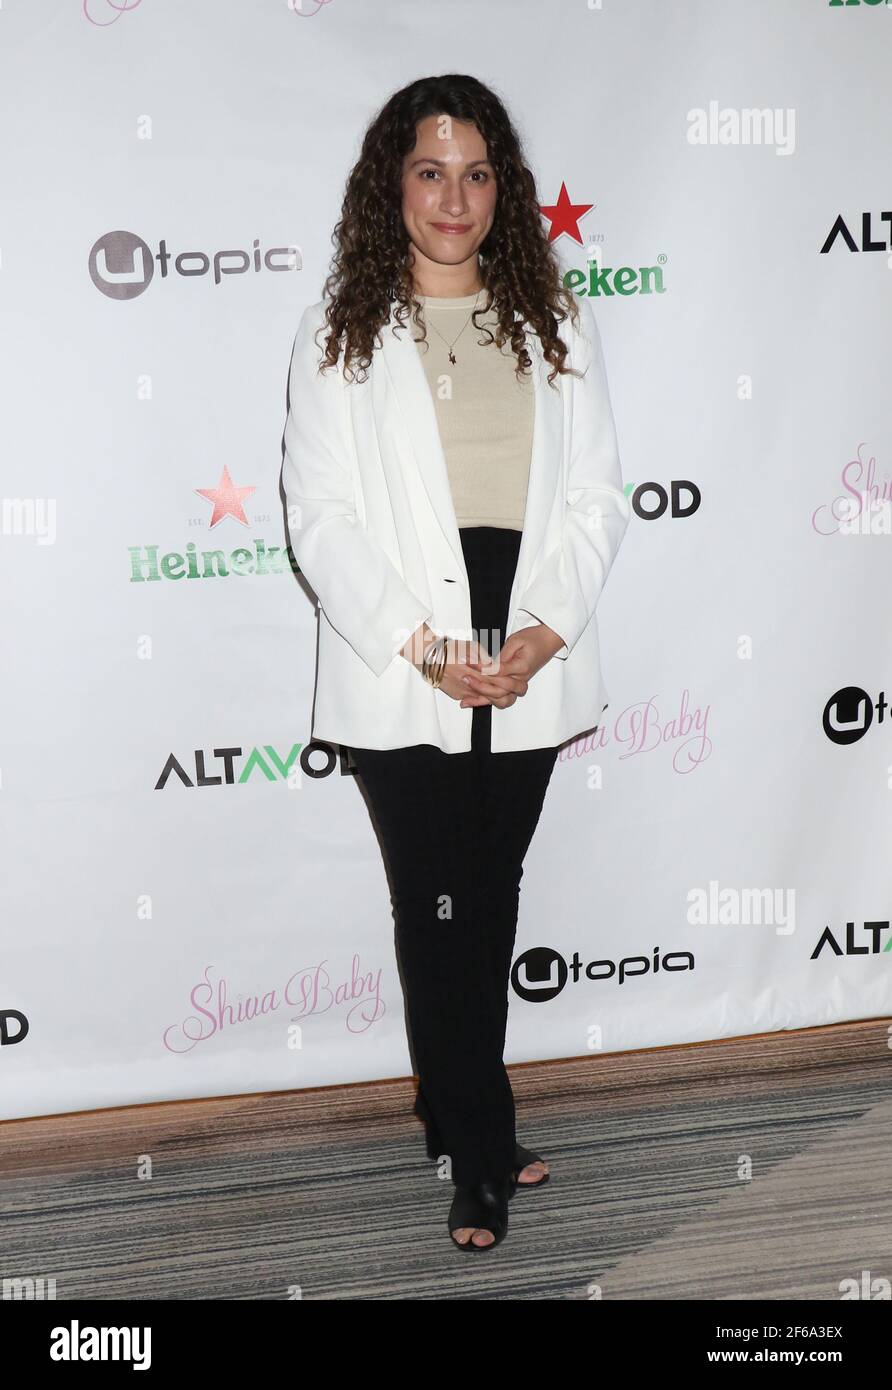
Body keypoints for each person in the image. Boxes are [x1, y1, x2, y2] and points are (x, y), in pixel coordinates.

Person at [282, 73, 631, 1251]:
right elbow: (321, 516)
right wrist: (423, 645)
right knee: (438, 907)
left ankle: (453, 1105)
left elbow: (597, 496)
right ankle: (478, 1152)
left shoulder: (554, 318)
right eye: (430, 171)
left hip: (525, 633)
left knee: (486, 894)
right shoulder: (342, 328)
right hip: (402, 653)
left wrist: (545, 629)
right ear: (393, 185)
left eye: (476, 174)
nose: (453, 197)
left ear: (503, 191)